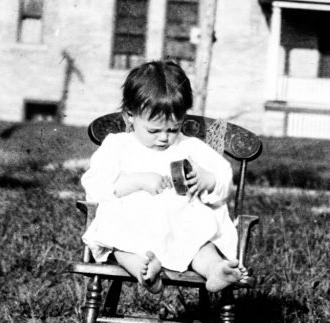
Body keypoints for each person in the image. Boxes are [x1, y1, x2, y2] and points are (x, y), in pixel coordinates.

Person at [81, 60, 248, 293]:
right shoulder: (117, 146)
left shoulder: (190, 147)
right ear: (130, 116)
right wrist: (137, 180)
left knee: (200, 240)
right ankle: (145, 270)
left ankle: (215, 270)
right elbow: (95, 185)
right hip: (133, 221)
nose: (164, 138)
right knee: (117, 239)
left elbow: (224, 176)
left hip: (179, 221)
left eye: (173, 129)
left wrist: (206, 179)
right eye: (153, 130)